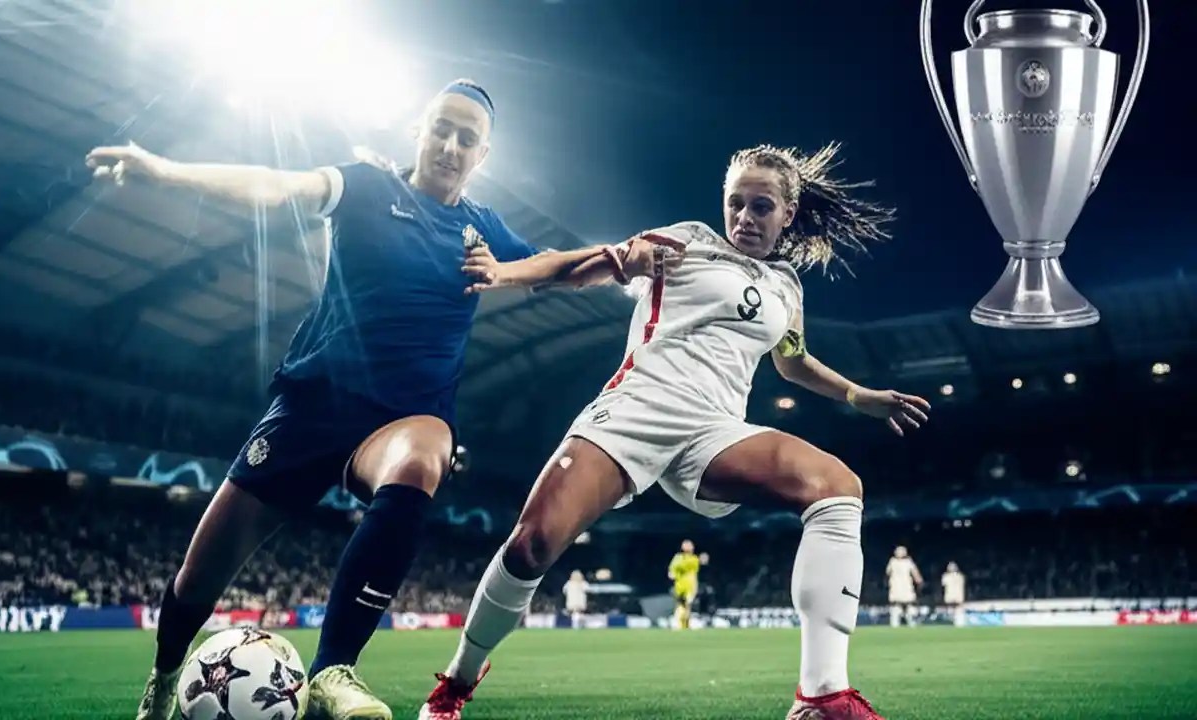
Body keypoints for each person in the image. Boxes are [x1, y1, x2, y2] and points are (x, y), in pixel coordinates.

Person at [86, 79, 672, 720]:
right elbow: (277, 186)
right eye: (442, 129)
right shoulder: (366, 187)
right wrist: (166, 172)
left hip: (402, 418)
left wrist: (624, 257)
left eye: (467, 139)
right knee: (200, 575)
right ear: (419, 130)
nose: (450, 146)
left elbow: (555, 266)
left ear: (482, 155)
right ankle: (166, 674)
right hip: (311, 407)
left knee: (424, 458)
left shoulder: (481, 228)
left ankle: (334, 670)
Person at [416, 142, 929, 720]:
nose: (745, 217)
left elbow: (792, 362)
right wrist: (503, 272)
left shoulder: (787, 287)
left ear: (788, 213)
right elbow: (581, 266)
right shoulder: (685, 241)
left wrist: (858, 395)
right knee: (531, 545)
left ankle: (821, 695)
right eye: (735, 203)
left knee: (838, 487)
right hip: (635, 411)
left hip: (715, 431)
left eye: (761, 207)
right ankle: (456, 682)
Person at [886, 545, 923, 628]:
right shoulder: (893, 562)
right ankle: (895, 623)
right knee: (896, 606)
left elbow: (915, 573)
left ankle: (911, 622)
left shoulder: (908, 562)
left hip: (906, 586)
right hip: (896, 586)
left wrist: (918, 580)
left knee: (909, 606)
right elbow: (888, 572)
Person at [668, 539, 701, 630]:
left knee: (686, 605)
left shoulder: (693, 559)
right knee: (682, 605)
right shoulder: (680, 558)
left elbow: (675, 570)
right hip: (682, 586)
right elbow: (672, 571)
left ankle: (685, 625)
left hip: (689, 586)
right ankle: (680, 624)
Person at [941, 561, 966, 626]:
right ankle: (959, 624)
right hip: (959, 596)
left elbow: (943, 586)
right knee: (959, 610)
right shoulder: (961, 576)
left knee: (950, 610)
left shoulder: (945, 576)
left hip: (949, 596)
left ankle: (951, 623)